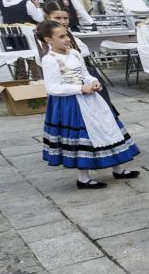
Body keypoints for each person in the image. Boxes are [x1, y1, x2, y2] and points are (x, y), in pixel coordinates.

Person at [37, 20, 139, 190]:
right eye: (61, 37)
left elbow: (85, 74)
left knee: (106, 128)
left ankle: (118, 168)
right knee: (82, 137)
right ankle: (83, 178)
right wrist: (79, 88)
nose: (67, 39)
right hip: (71, 103)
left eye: (66, 35)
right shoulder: (50, 59)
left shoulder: (74, 53)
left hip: (91, 99)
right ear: (48, 40)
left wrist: (93, 81)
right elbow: (52, 87)